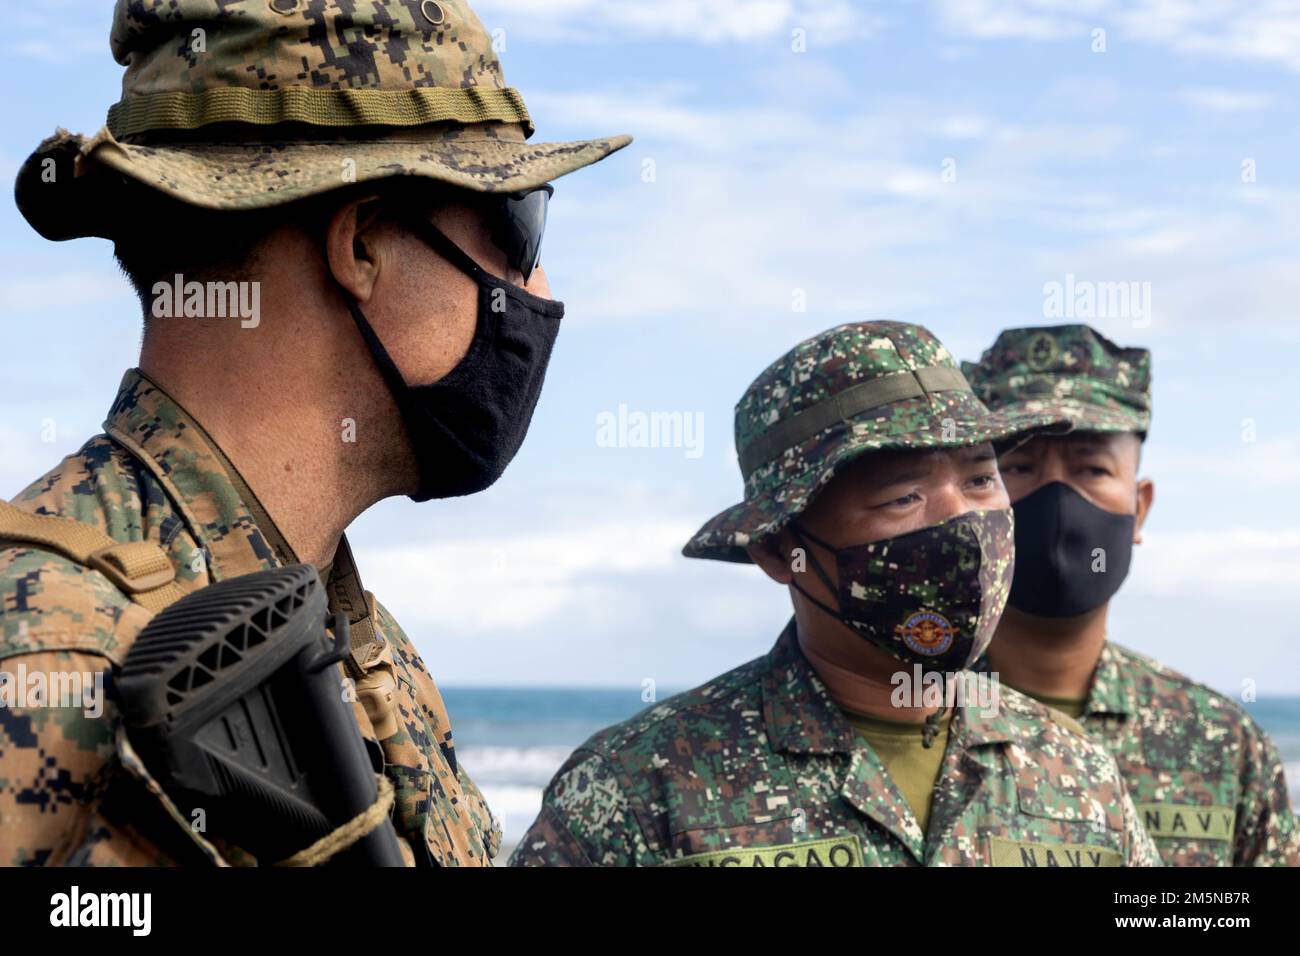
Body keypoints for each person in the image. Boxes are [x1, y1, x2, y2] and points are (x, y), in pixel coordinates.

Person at [0, 0, 629, 866]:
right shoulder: (45, 654)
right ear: (362, 244)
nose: (542, 285)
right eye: (520, 224)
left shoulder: (367, 651)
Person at [511, 321, 1160, 867]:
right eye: (903, 497)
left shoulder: (1079, 775)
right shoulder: (639, 785)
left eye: (982, 481)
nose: (961, 525)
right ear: (777, 549)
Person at [964, 323, 1298, 866]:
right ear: (975, 500)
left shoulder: (1220, 743)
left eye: (1091, 468)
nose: (1057, 497)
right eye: (1019, 466)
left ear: (1139, 507)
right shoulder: (909, 714)